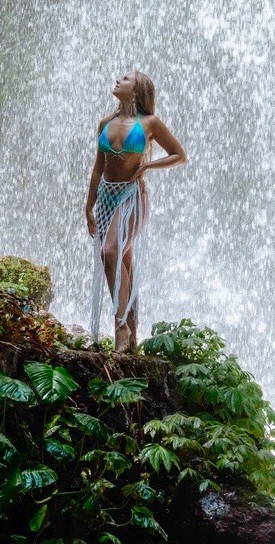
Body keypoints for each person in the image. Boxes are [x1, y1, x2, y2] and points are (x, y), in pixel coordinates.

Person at [85, 68, 186, 352]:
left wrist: (146, 165)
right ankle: (133, 337)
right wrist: (88, 207)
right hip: (106, 196)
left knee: (110, 252)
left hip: (132, 197)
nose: (118, 80)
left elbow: (180, 155)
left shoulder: (150, 123)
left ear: (137, 91)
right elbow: (97, 169)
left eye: (125, 79)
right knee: (123, 260)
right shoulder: (107, 122)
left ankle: (120, 328)